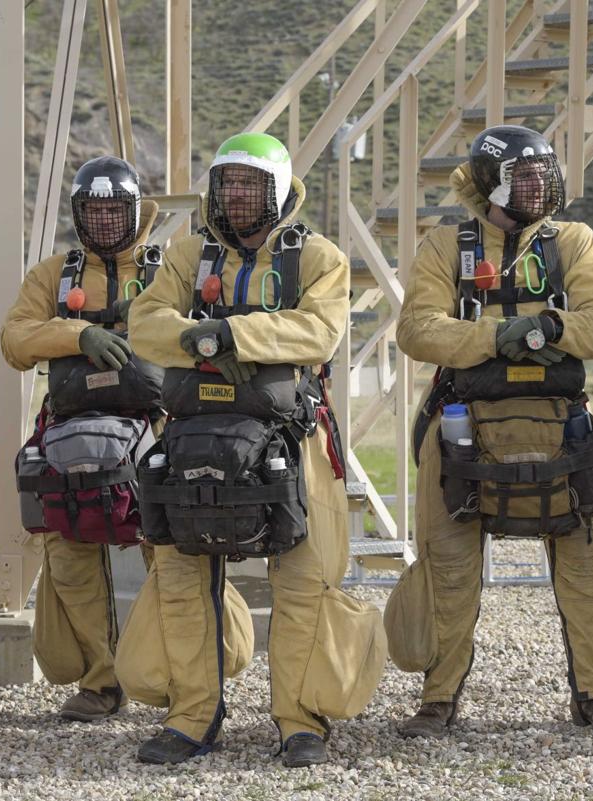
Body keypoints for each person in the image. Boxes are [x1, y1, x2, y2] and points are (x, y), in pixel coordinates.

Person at [122, 132, 385, 767]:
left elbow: (318, 330)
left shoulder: (317, 258)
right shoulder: (186, 256)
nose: (237, 196)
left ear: (278, 190)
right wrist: (210, 341)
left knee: (303, 579)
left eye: (250, 184)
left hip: (289, 442)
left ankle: (300, 721)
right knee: (183, 577)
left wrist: (225, 335)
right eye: (227, 183)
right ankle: (191, 716)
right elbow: (145, 325)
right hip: (190, 438)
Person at [386, 125, 593, 738]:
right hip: (462, 425)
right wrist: (492, 337)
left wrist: (544, 330)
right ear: (489, 181)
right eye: (524, 174)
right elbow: (417, 329)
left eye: (543, 172)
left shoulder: (574, 241)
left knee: (583, 564)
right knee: (448, 565)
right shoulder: (445, 245)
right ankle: (439, 696)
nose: (539, 184)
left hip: (560, 426)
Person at [1, 155, 164, 722]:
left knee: (171, 551)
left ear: (136, 211)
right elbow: (15, 341)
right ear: (77, 213)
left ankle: (173, 672)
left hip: (156, 429)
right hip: (70, 433)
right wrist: (80, 334)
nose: (102, 219)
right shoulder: (53, 275)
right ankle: (101, 679)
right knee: (68, 553)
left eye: (114, 208)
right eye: (92, 209)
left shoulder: (171, 267)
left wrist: (139, 321)